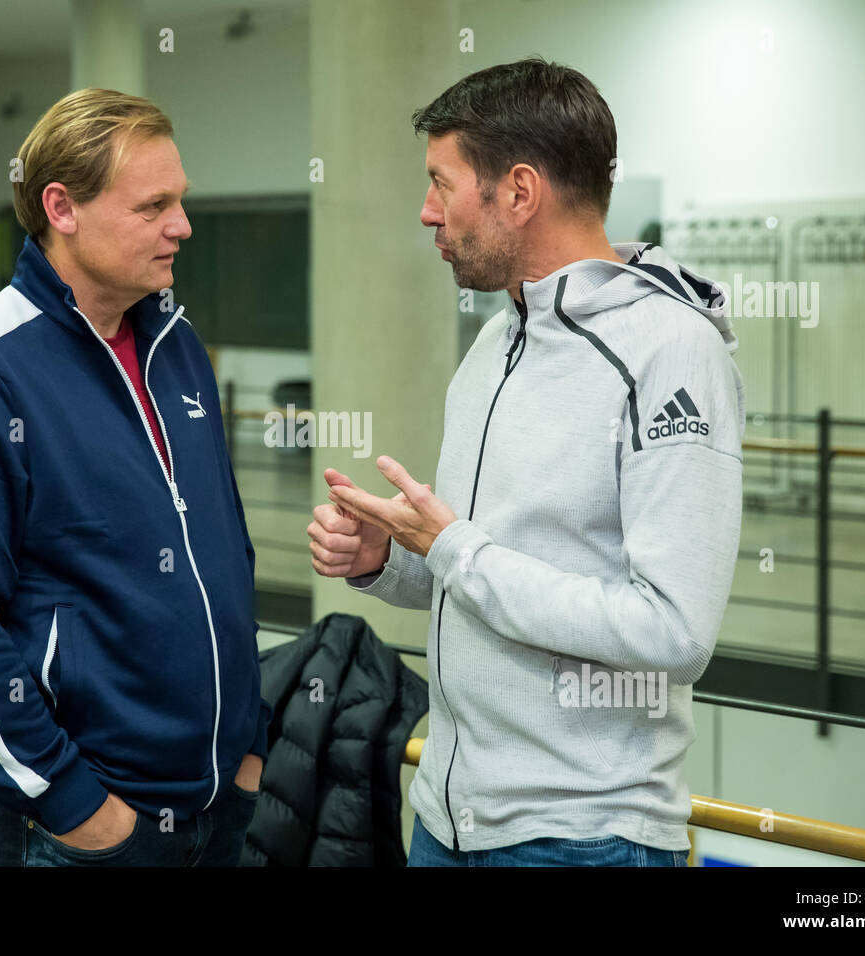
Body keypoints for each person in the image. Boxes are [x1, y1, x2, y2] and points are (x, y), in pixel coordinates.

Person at [307, 57, 744, 867]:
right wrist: (392, 564)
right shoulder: (495, 339)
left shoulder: (670, 352)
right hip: (447, 818)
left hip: (580, 838)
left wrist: (453, 549)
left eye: (442, 184)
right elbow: (492, 569)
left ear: (517, 191)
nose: (427, 212)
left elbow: (674, 631)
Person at [0, 89, 270, 867]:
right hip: (79, 833)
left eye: (181, 201)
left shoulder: (177, 343)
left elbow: (224, 555)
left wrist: (248, 752)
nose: (183, 226)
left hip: (218, 812)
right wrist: (77, 808)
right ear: (61, 208)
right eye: (153, 206)